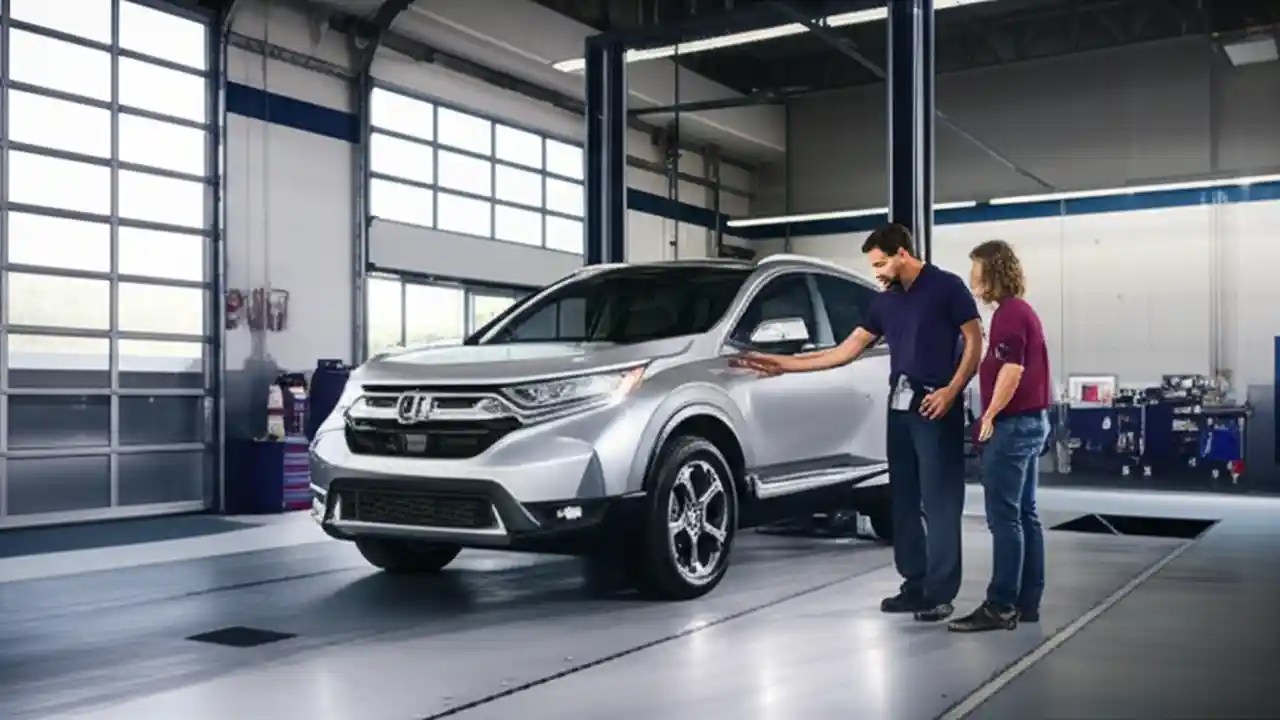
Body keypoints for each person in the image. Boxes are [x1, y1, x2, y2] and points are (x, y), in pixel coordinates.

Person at [732, 224, 983, 622]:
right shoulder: (885, 303)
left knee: (940, 503)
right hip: (899, 408)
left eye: (881, 264)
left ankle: (939, 593)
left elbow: (974, 340)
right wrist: (783, 365)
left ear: (903, 254)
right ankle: (914, 584)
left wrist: (951, 391)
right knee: (903, 500)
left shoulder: (947, 287)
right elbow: (845, 350)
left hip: (936, 406)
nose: (876, 273)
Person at [948, 240, 1052, 633]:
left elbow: (1012, 371)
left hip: (1012, 426)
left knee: (1005, 518)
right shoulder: (1019, 312)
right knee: (1025, 514)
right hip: (1030, 422)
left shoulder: (1010, 315)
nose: (972, 277)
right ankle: (1027, 603)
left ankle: (1000, 605)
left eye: (976, 269)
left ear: (992, 272)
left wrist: (989, 416)